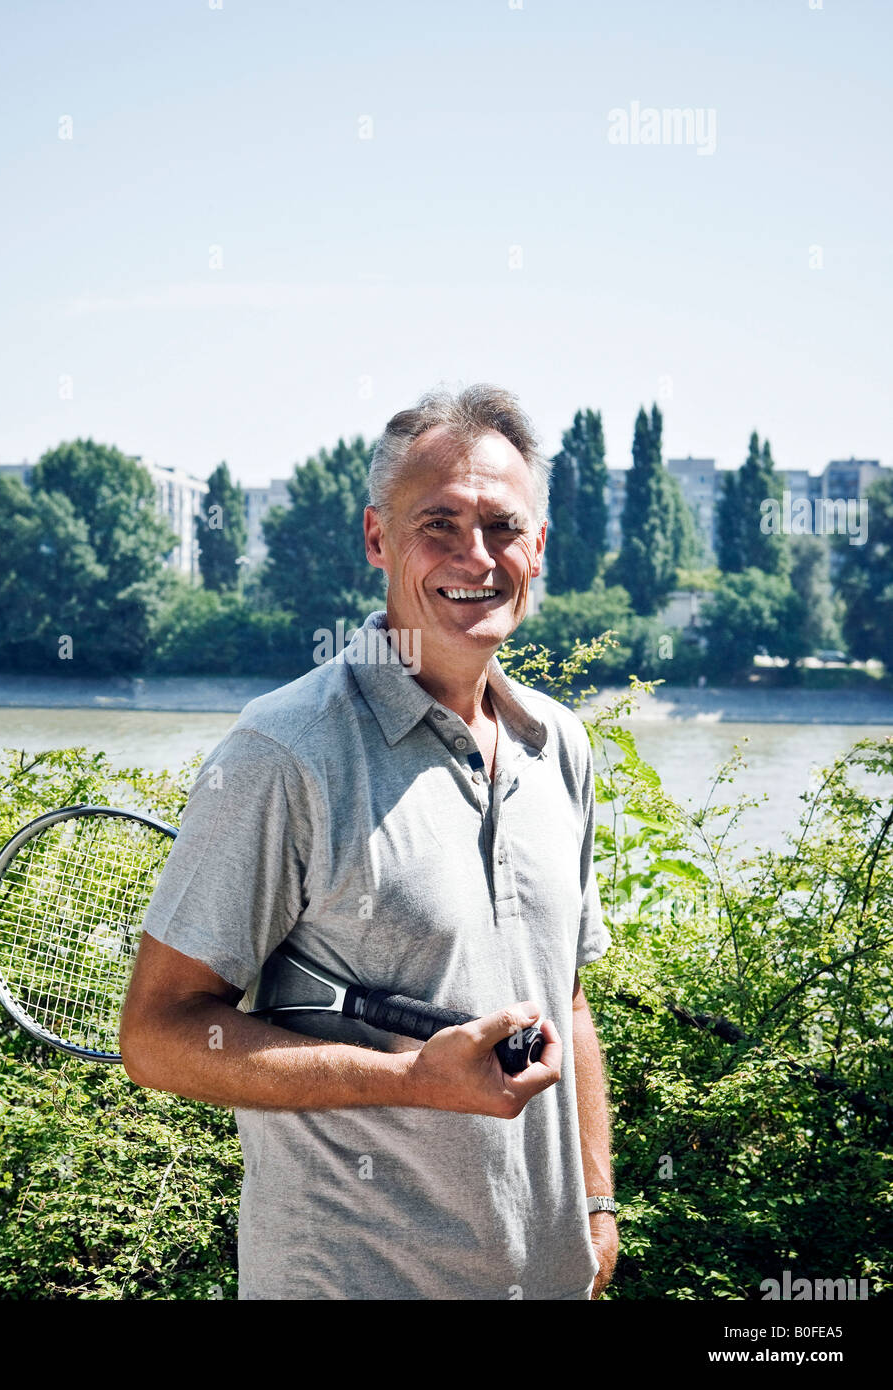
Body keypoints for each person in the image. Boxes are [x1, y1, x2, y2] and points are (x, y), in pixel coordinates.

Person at [120, 383, 618, 1300]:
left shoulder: (562, 747)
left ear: (538, 549)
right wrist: (412, 1081)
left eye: (504, 526)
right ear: (377, 539)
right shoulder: (284, 752)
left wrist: (595, 1204)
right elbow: (157, 1038)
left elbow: (569, 1000)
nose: (476, 555)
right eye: (440, 524)